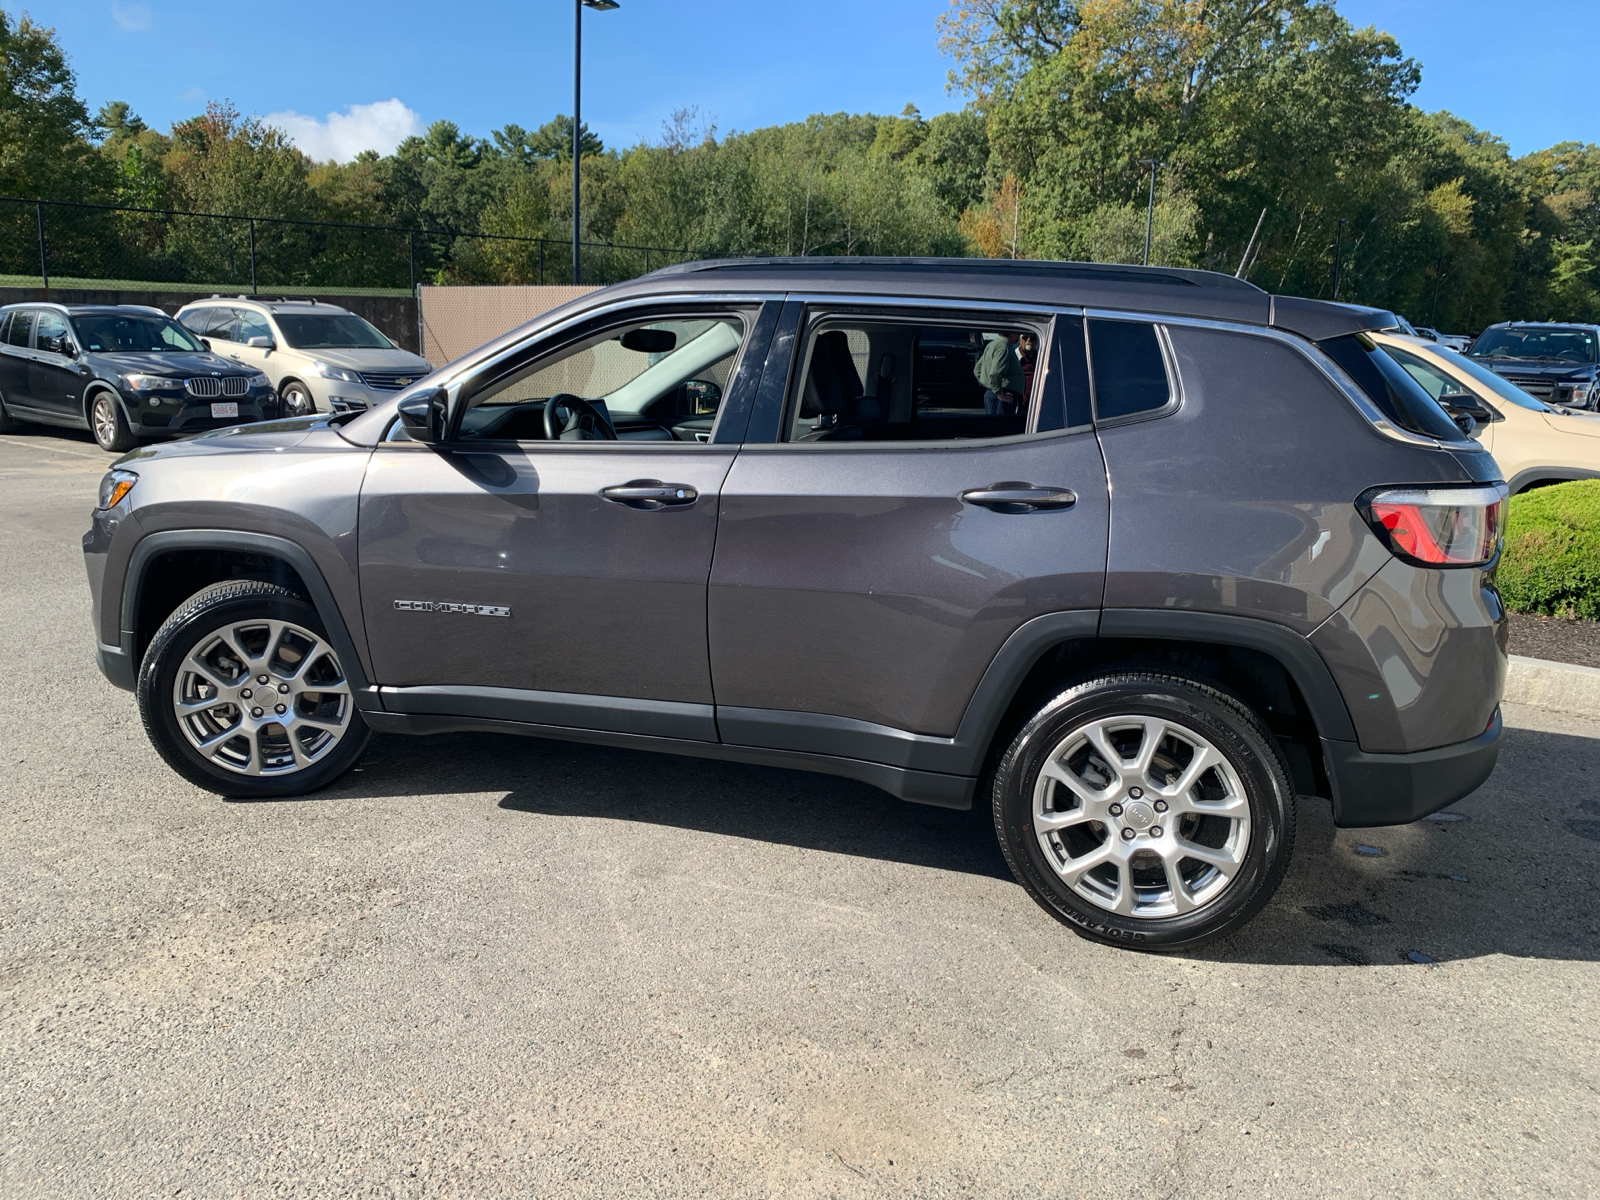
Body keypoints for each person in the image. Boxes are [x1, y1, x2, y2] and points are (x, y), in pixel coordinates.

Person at [975, 331, 1025, 415]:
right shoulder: (1004, 346)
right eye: (1017, 332)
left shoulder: (992, 344)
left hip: (993, 393)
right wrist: (999, 393)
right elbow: (996, 372)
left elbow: (977, 369)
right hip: (1002, 396)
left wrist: (989, 385)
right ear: (1011, 333)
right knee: (1001, 426)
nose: (1018, 335)